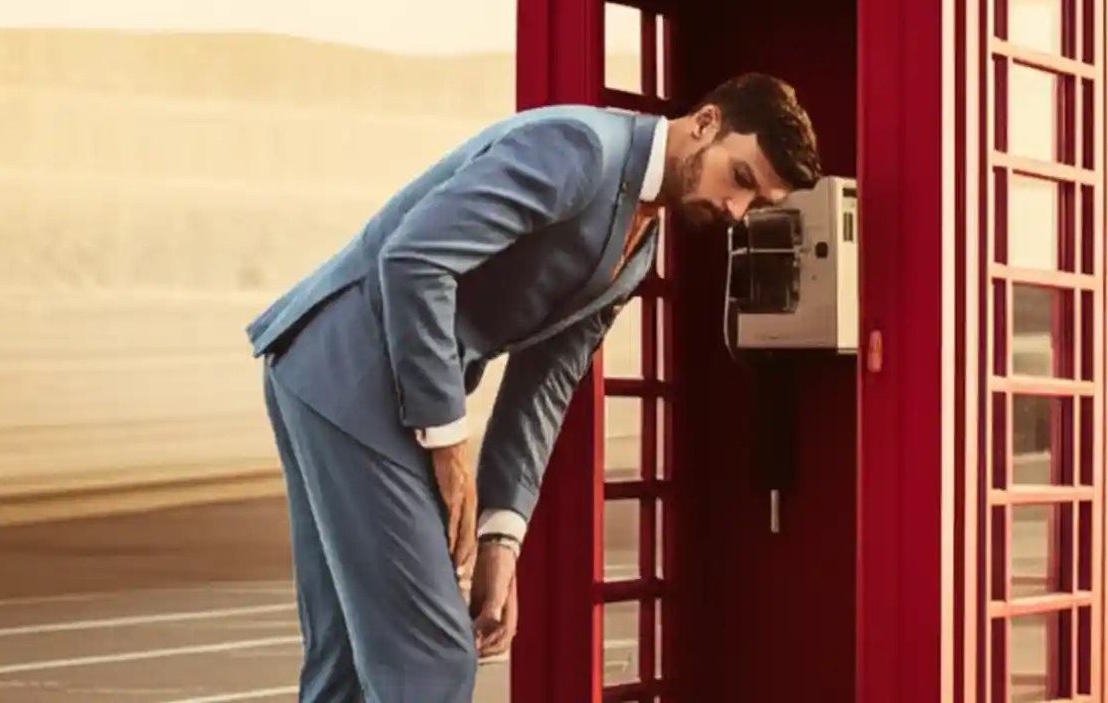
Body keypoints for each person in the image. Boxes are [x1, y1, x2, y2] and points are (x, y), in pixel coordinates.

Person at [246, 71, 822, 701]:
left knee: (346, 671)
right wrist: (448, 442)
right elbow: (416, 259)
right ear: (706, 123)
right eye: (739, 179)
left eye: (756, 204)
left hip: (342, 375)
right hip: (351, 368)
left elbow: (544, 385)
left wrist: (501, 537)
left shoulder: (638, 246)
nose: (735, 211)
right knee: (432, 660)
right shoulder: (580, 148)